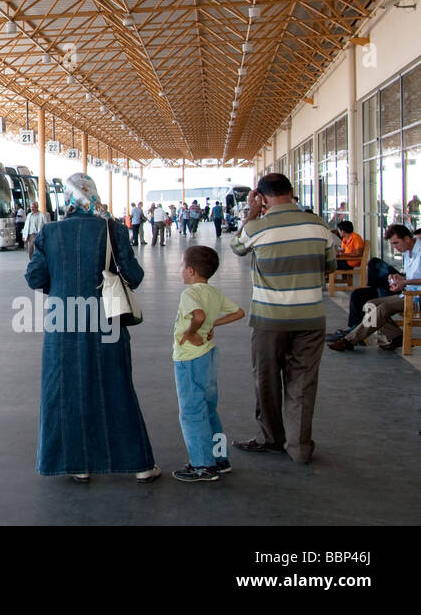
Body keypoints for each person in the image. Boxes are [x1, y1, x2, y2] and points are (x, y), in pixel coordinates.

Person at [24, 173, 159, 483]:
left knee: (65, 391)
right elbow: (134, 277)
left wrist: (62, 285)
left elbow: (35, 278)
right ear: (93, 196)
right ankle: (138, 464)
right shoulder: (113, 230)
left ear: (69, 199)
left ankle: (77, 464)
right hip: (106, 321)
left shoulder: (50, 232)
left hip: (62, 324)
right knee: (116, 386)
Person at [229, 173, 337, 464]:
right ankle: (299, 447)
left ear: (261, 198)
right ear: (292, 192)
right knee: (302, 382)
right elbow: (329, 266)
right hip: (311, 318)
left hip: (269, 320)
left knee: (266, 380)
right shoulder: (319, 226)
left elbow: (236, 248)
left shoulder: (257, 228)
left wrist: (251, 213)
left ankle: (271, 438)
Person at [171, 245, 245, 482]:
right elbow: (239, 312)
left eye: (182, 266)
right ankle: (220, 459)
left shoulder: (190, 294)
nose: (180, 270)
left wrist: (192, 331)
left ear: (191, 271)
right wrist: (214, 326)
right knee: (209, 409)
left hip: (189, 358)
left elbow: (199, 316)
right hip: (209, 356)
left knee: (192, 412)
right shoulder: (213, 292)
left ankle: (202, 464)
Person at [328, 224, 420, 352]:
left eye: (396, 243)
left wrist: (405, 281)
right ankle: (396, 336)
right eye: (392, 244)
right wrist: (399, 277)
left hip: (416, 298)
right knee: (369, 305)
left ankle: (349, 340)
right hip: (406, 293)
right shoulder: (407, 252)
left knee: (383, 308)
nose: (395, 248)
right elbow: (411, 275)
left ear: (407, 239)